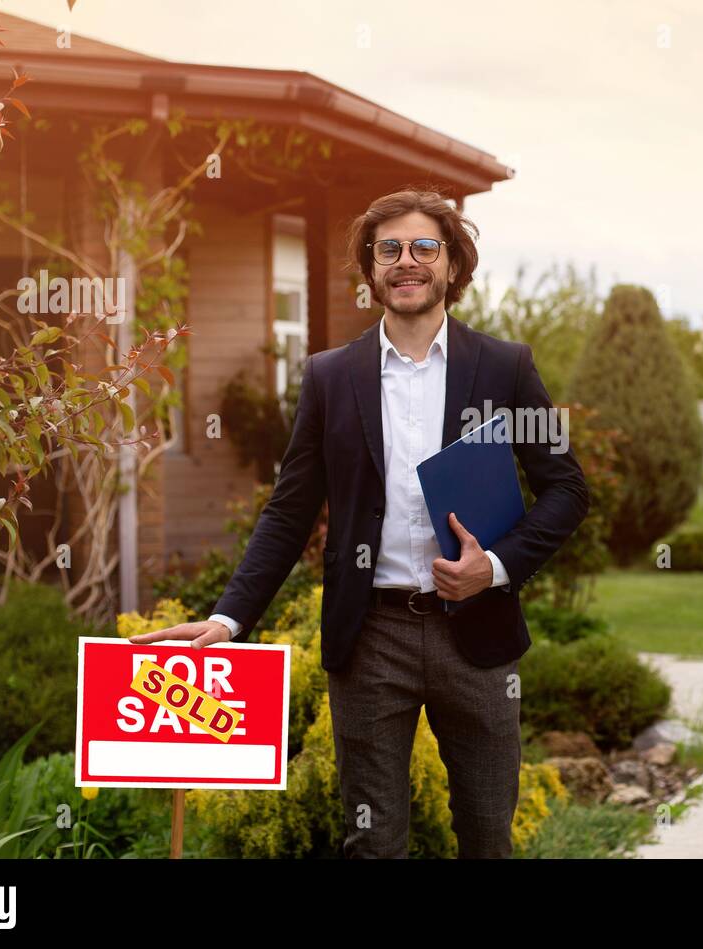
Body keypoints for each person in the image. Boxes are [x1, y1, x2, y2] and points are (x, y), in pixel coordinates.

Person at [132, 188, 589, 858]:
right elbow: (289, 508)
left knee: (490, 835)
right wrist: (229, 619)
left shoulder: (504, 367)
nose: (407, 261)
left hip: (479, 633)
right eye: (390, 249)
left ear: (453, 266)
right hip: (370, 635)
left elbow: (566, 489)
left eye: (424, 247)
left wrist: (491, 567)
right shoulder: (329, 376)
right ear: (371, 271)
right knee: (373, 843)